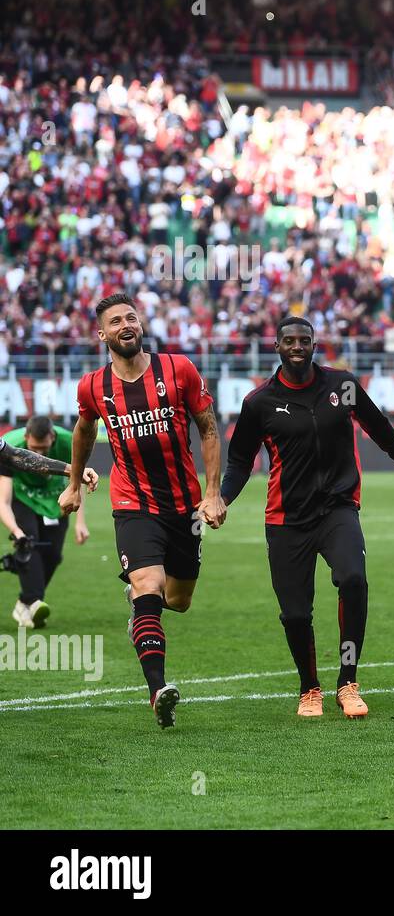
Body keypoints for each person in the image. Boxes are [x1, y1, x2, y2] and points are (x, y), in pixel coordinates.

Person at [221, 316, 394, 719]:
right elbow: (238, 462)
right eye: (290, 341)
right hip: (286, 519)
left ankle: (348, 681)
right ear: (278, 348)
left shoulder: (343, 385)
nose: (298, 346)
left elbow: (378, 426)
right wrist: (222, 499)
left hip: (338, 509)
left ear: (315, 345)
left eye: (305, 340)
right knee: (296, 613)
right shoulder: (258, 403)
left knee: (354, 581)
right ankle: (309, 689)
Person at [59, 293, 225, 729]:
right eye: (115, 321)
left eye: (130, 317)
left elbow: (208, 428)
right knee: (149, 584)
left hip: (183, 503)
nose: (125, 325)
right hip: (132, 502)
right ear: (103, 335)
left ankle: (138, 601)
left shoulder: (179, 369)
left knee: (179, 600)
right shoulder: (92, 386)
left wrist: (212, 493)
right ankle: (158, 690)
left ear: (141, 324)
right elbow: (82, 431)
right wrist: (74, 484)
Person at [0, 417, 96, 628]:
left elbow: (18, 456)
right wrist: (16, 531)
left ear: (52, 437)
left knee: (52, 554)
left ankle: (26, 602)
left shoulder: (69, 441)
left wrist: (80, 521)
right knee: (29, 543)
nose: (41, 452)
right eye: (36, 448)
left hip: (54, 499)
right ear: (25, 437)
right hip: (23, 498)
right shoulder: (11, 439)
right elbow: (3, 500)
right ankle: (33, 601)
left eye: (44, 447)